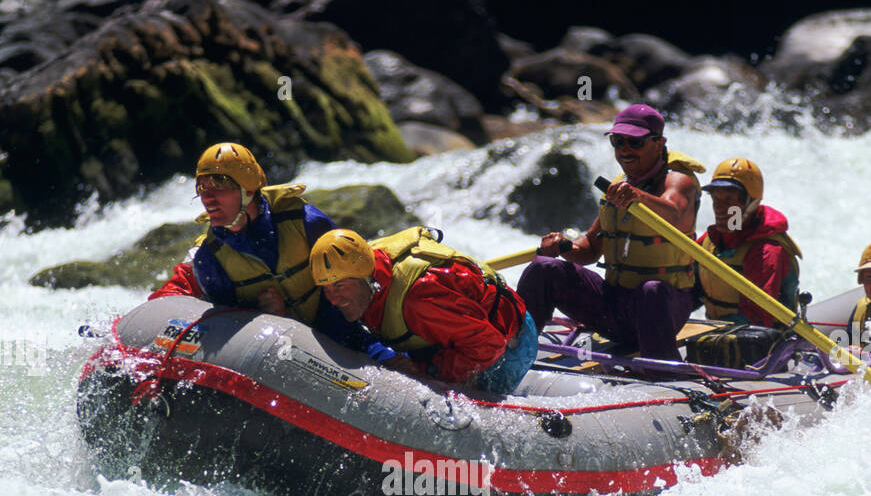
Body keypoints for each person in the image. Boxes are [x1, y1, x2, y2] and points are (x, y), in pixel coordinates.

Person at [148, 142, 397, 358]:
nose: (208, 198)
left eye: (220, 186)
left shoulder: (305, 222)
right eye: (202, 188)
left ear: (248, 190)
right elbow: (226, 335)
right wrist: (266, 318)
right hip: (275, 353)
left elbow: (356, 287)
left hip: (344, 335)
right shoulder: (209, 260)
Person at [517, 104, 705, 362]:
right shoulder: (619, 187)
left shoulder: (677, 181)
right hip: (614, 307)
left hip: (662, 308)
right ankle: (515, 348)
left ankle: (660, 369)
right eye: (618, 141)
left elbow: (674, 212)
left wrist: (638, 196)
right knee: (543, 268)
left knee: (652, 290)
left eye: (635, 142)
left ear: (659, 143)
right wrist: (563, 247)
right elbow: (590, 250)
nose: (625, 150)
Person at [308, 226, 539, 393]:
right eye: (326, 289)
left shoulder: (418, 301)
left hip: (509, 345)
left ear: (364, 278)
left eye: (339, 286)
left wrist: (426, 370)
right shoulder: (366, 270)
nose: (334, 299)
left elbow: (489, 346)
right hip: (453, 333)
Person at [696, 158, 801, 326]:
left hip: (765, 342)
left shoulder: (767, 252)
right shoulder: (709, 242)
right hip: (724, 333)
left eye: (729, 200)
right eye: (716, 199)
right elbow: (690, 290)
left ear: (752, 203)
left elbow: (759, 319)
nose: (720, 208)